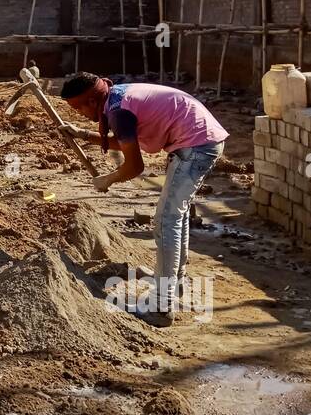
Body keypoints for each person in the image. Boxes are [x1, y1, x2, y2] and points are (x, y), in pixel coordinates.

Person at [60, 73, 228, 327]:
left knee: (166, 220)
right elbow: (124, 140)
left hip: (196, 144)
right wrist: (82, 134)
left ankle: (161, 307)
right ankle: (174, 284)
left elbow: (134, 166)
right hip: (195, 139)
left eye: (78, 107)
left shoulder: (118, 111)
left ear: (93, 100)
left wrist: (108, 180)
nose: (79, 113)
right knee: (176, 216)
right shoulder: (114, 98)